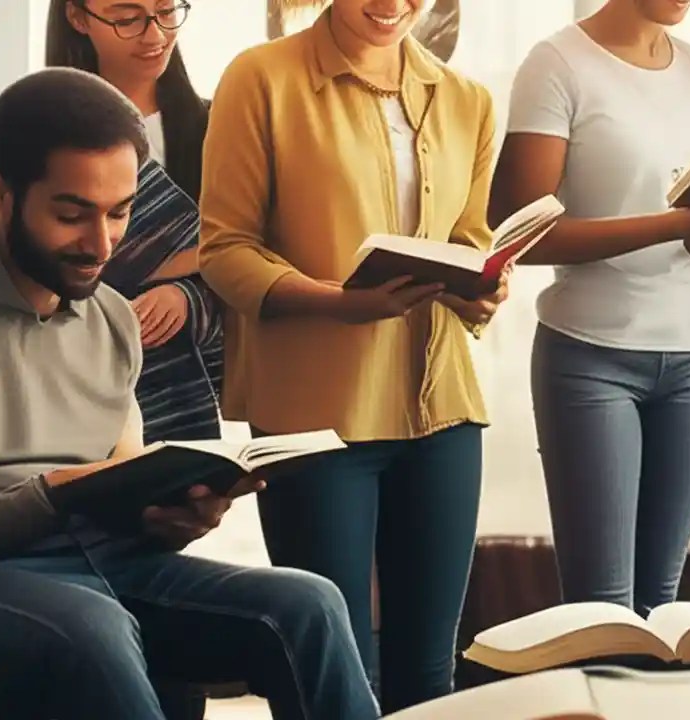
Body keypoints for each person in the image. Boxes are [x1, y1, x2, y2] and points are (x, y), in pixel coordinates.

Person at [0, 67, 377, 720]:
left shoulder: (113, 318)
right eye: (71, 214)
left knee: (309, 604)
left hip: (107, 566)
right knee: (92, 628)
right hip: (13, 573)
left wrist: (170, 514)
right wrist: (56, 493)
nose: (102, 243)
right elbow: (69, 495)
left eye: (119, 213)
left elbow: (122, 475)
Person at [198, 0, 507, 709]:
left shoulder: (468, 100)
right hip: (315, 420)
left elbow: (468, 237)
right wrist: (338, 301)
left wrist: (480, 293)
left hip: (444, 415)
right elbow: (225, 250)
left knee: (430, 677)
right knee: (330, 674)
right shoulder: (260, 78)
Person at [490, 0, 690, 617]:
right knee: (601, 612)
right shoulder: (555, 64)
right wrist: (682, 223)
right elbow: (519, 229)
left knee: (661, 610)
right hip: (588, 356)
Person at [46, 0, 223, 443]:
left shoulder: (219, 125)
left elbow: (262, 252)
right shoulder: (38, 133)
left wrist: (189, 296)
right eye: (127, 18)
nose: (155, 34)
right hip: (69, 388)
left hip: (196, 386)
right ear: (78, 16)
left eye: (167, 12)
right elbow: (35, 258)